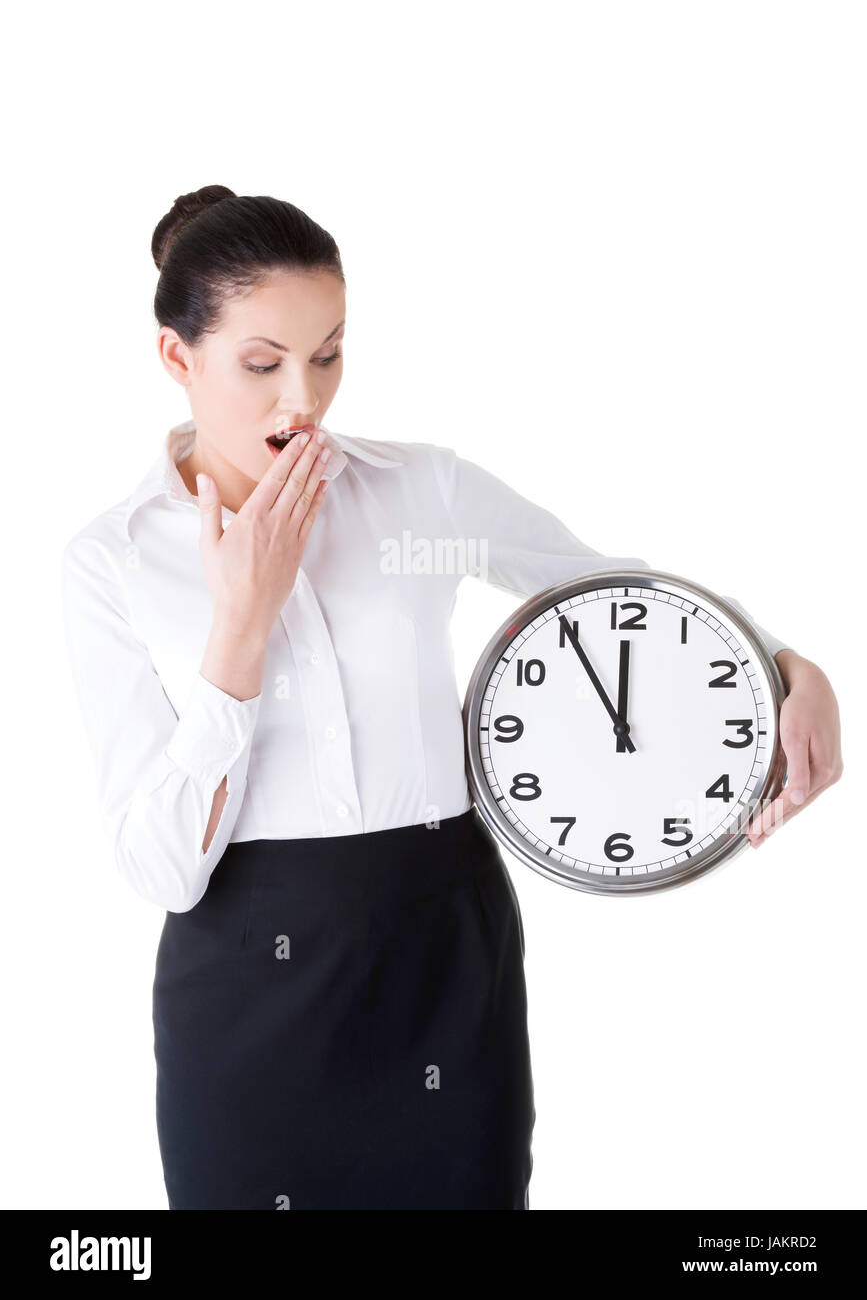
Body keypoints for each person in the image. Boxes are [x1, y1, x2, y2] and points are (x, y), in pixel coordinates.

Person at [60, 186, 842, 1210]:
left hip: (443, 951)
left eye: (329, 353)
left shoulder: (421, 491)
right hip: (243, 985)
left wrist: (790, 664)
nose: (304, 399)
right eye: (262, 364)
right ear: (177, 357)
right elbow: (158, 865)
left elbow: (607, 590)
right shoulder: (109, 561)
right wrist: (238, 634)